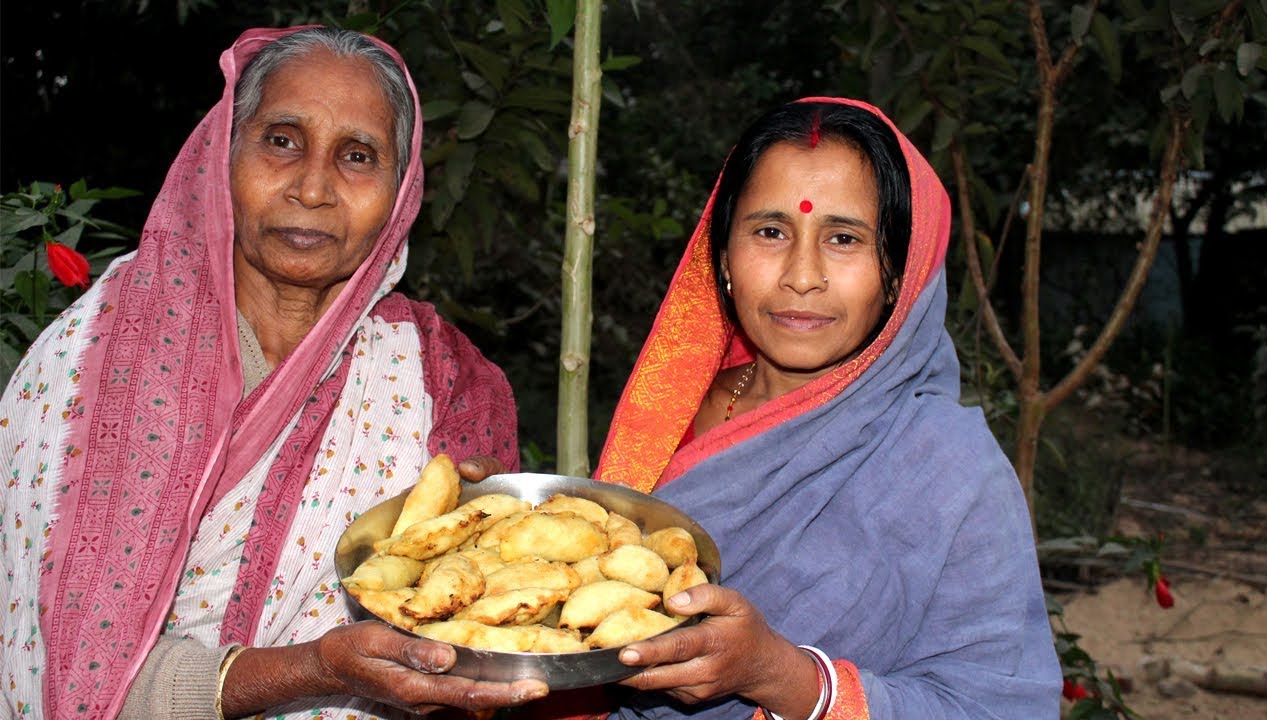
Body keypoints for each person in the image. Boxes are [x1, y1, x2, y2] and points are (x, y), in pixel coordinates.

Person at [0, 26, 548, 719]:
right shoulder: (99, 360)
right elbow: (78, 674)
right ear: (224, 155)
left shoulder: (444, 377)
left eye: (357, 155)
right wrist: (309, 669)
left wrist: (480, 541)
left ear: (401, 189)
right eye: (282, 140)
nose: (312, 188)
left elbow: (477, 637)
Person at [584, 98, 1061, 718]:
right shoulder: (665, 414)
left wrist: (785, 676)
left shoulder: (951, 471)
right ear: (723, 257)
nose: (801, 275)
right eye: (770, 231)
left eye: (843, 238)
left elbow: (1000, 706)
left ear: (899, 273)